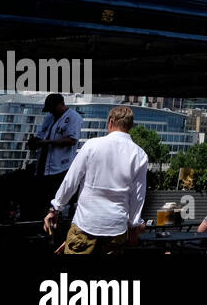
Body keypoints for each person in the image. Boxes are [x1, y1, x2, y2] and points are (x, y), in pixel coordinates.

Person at [42, 106, 147, 255]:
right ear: (130, 126)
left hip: (86, 224)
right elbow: (138, 196)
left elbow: (70, 181)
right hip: (116, 228)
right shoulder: (139, 154)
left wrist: (56, 208)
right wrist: (133, 226)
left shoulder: (92, 145)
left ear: (110, 122)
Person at [30, 94, 82, 216]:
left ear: (60, 105)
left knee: (56, 204)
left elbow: (72, 140)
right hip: (43, 166)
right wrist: (35, 141)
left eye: (52, 108)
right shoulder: (50, 116)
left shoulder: (74, 117)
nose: (51, 112)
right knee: (40, 203)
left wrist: (47, 142)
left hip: (60, 168)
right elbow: (41, 134)